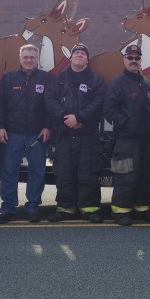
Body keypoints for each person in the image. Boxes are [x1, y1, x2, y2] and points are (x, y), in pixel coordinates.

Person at [0, 43, 52, 224]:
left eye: (32, 57)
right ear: (20, 59)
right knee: (9, 171)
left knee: (37, 171)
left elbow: (52, 105)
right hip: (12, 134)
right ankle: (8, 208)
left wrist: (48, 126)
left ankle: (33, 206)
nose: (28, 60)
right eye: (25, 57)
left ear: (37, 59)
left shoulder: (46, 79)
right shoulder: (9, 78)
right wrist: (0, 126)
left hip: (37, 134)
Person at [45, 42, 106, 222]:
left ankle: (90, 209)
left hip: (87, 134)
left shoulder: (96, 80)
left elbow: (98, 102)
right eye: (76, 52)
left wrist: (79, 118)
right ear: (71, 58)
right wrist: (66, 117)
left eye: (83, 53)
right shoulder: (58, 79)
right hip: (63, 134)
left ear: (87, 60)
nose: (79, 55)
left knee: (88, 172)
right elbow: (49, 100)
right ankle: (66, 209)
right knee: (64, 172)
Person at [104, 43, 150, 226]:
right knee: (125, 175)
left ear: (140, 61)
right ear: (124, 60)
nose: (134, 61)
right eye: (130, 58)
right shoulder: (117, 83)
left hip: (145, 140)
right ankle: (120, 211)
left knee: (146, 175)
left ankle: (141, 208)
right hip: (125, 140)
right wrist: (127, 124)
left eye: (137, 58)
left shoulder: (146, 83)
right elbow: (109, 110)